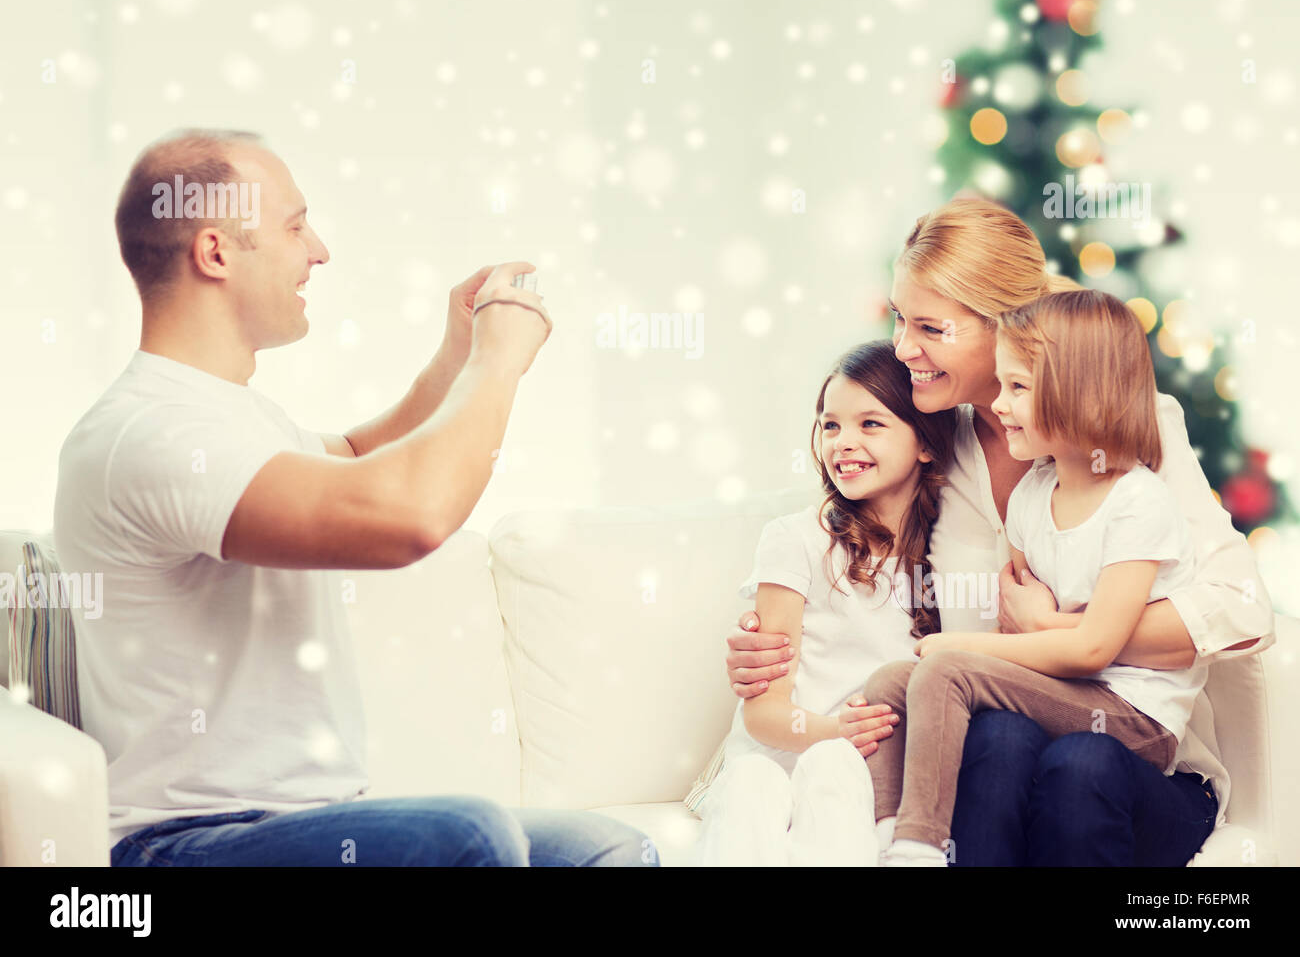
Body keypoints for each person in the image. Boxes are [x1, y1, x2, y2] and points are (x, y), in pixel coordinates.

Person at [53, 127, 655, 867]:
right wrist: (499, 359)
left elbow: (355, 459)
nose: (319, 251)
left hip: (315, 820)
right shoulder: (149, 432)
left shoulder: (228, 417)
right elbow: (405, 516)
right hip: (187, 845)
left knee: (607, 849)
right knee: (472, 837)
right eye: (295, 225)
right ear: (215, 253)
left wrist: (457, 353)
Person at [725, 197, 1274, 866]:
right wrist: (771, 647)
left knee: (1075, 763)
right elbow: (839, 541)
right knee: (999, 740)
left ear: (1007, 324)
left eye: (930, 326)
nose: (904, 349)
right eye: (901, 319)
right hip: (991, 761)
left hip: (1124, 766)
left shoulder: (1127, 428)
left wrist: (1065, 627)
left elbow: (1242, 611)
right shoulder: (930, 442)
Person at [863, 288, 1207, 866]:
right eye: (1001, 385)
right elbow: (1018, 638)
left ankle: (917, 848)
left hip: (1133, 714)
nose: (998, 404)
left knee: (942, 667)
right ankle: (885, 830)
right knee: (891, 683)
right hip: (1066, 695)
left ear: (1081, 392)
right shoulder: (1032, 495)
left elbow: (1095, 646)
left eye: (1017, 388)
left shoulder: (1136, 502)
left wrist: (953, 647)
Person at [695, 342, 956, 866]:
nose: (844, 442)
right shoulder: (796, 539)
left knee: (836, 773)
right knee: (754, 782)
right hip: (779, 760)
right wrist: (837, 732)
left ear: (926, 443)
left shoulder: (951, 551)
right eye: (830, 425)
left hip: (861, 777)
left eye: (870, 424)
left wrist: (846, 747)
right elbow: (765, 715)